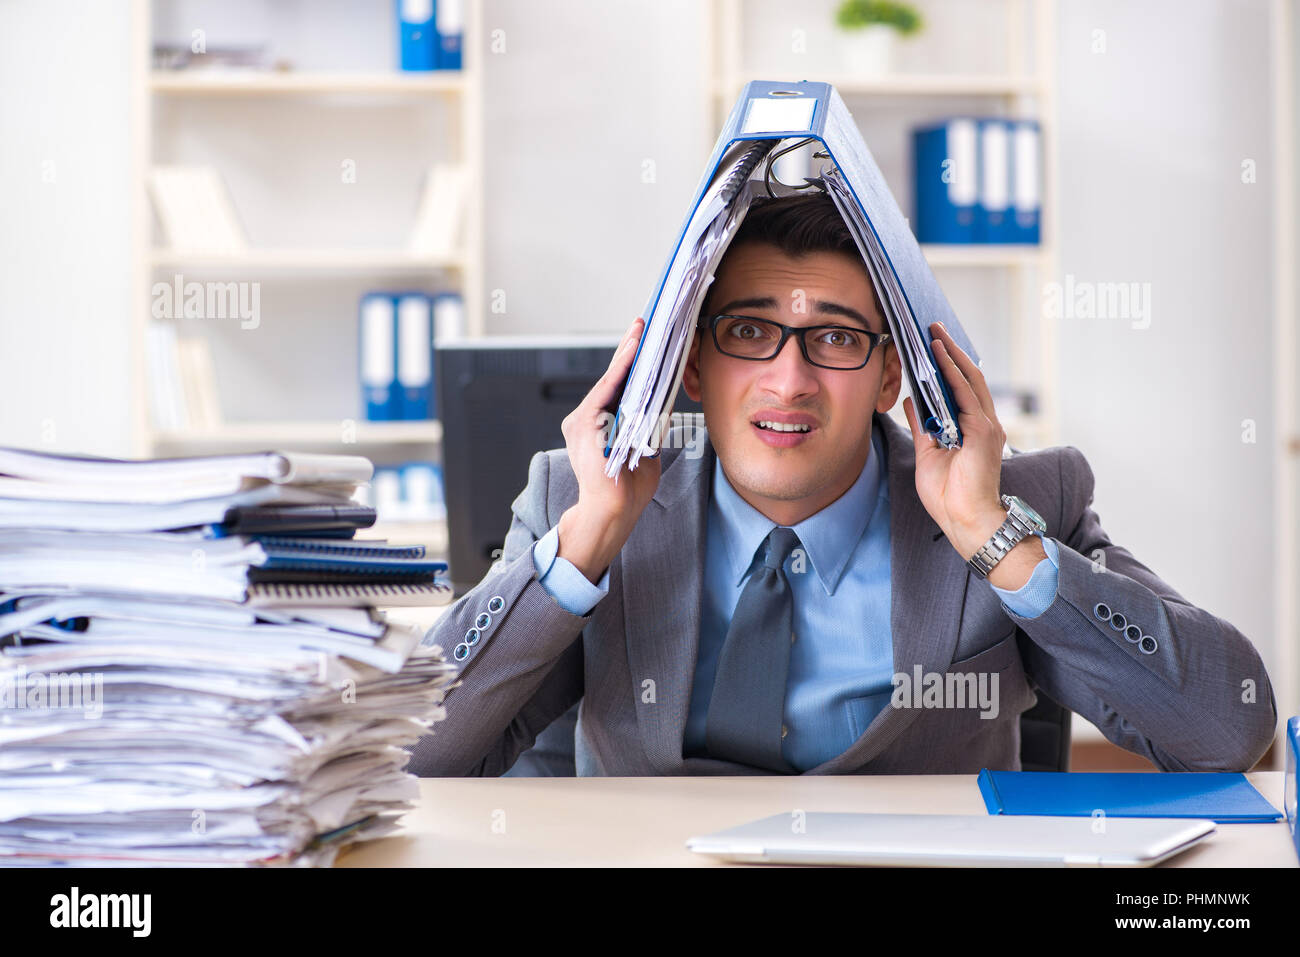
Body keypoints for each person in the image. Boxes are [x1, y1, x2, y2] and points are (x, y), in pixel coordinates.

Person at [408, 193, 1276, 776]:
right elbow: (408, 755)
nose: (788, 382)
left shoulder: (1011, 505)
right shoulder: (577, 504)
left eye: (833, 338)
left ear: (894, 375)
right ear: (692, 367)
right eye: (750, 331)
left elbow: (1228, 725)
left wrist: (993, 538)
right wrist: (586, 546)